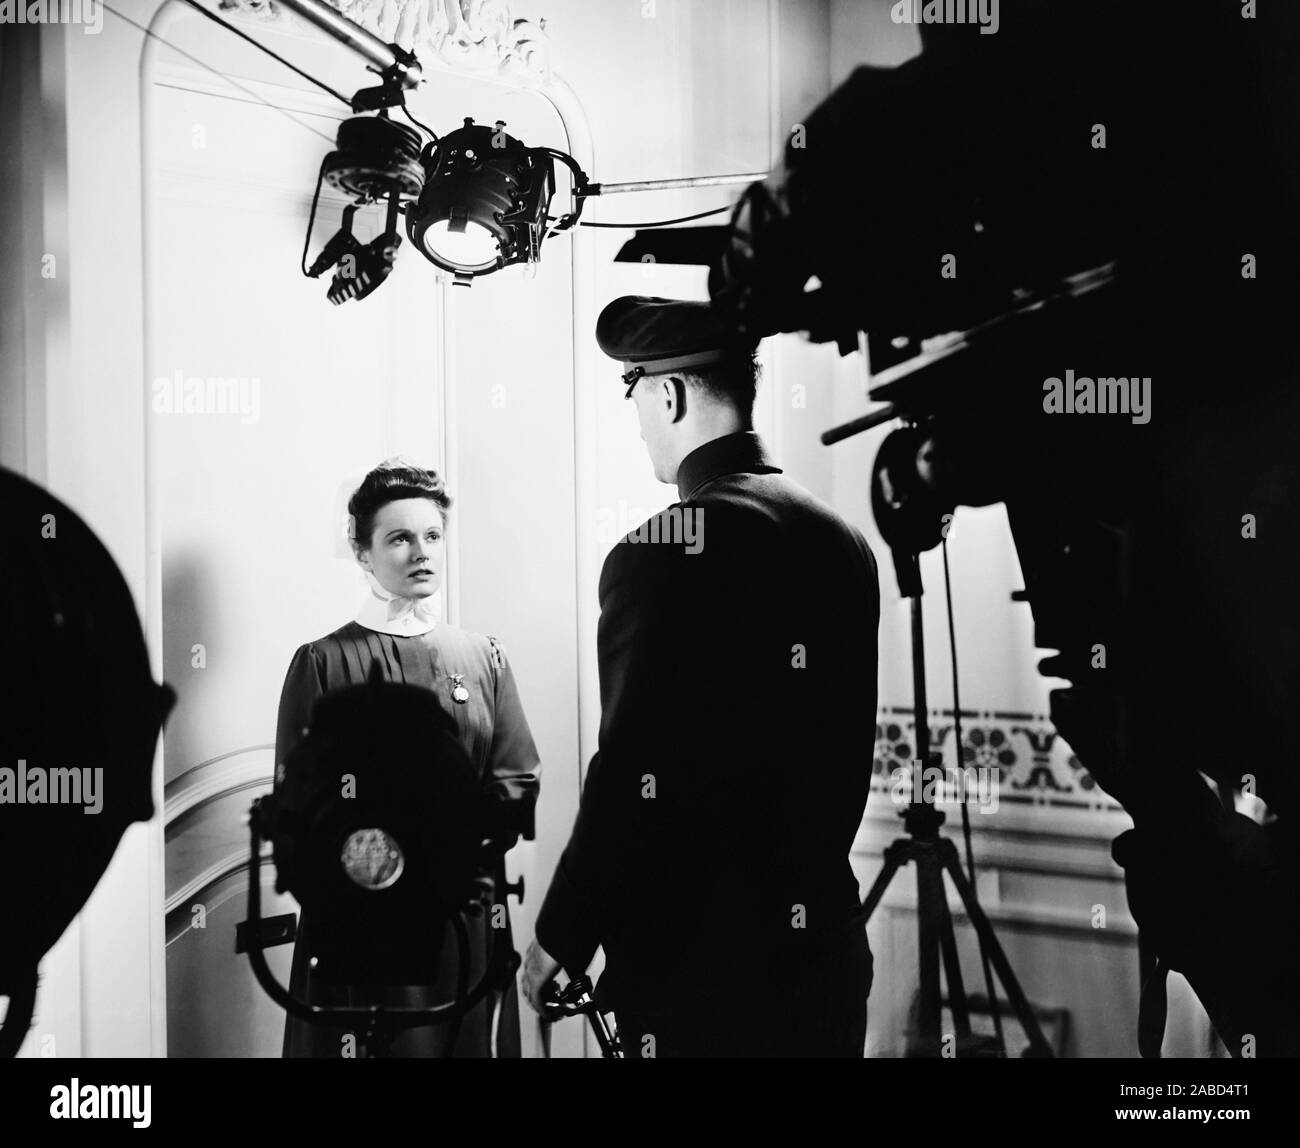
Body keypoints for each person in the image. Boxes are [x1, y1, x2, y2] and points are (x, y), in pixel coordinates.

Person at [522, 296, 880, 1057]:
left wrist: (562, 933)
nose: (640, 421)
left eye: (635, 394)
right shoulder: (842, 541)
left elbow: (632, 774)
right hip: (826, 956)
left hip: (705, 981)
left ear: (671, 393)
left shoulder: (658, 551)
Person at [275, 458, 541, 1057]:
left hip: (465, 912)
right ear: (362, 552)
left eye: (431, 536)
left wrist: (457, 841)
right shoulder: (322, 662)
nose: (420, 552)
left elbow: (517, 776)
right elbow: (299, 799)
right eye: (398, 538)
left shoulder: (483, 657)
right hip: (360, 912)